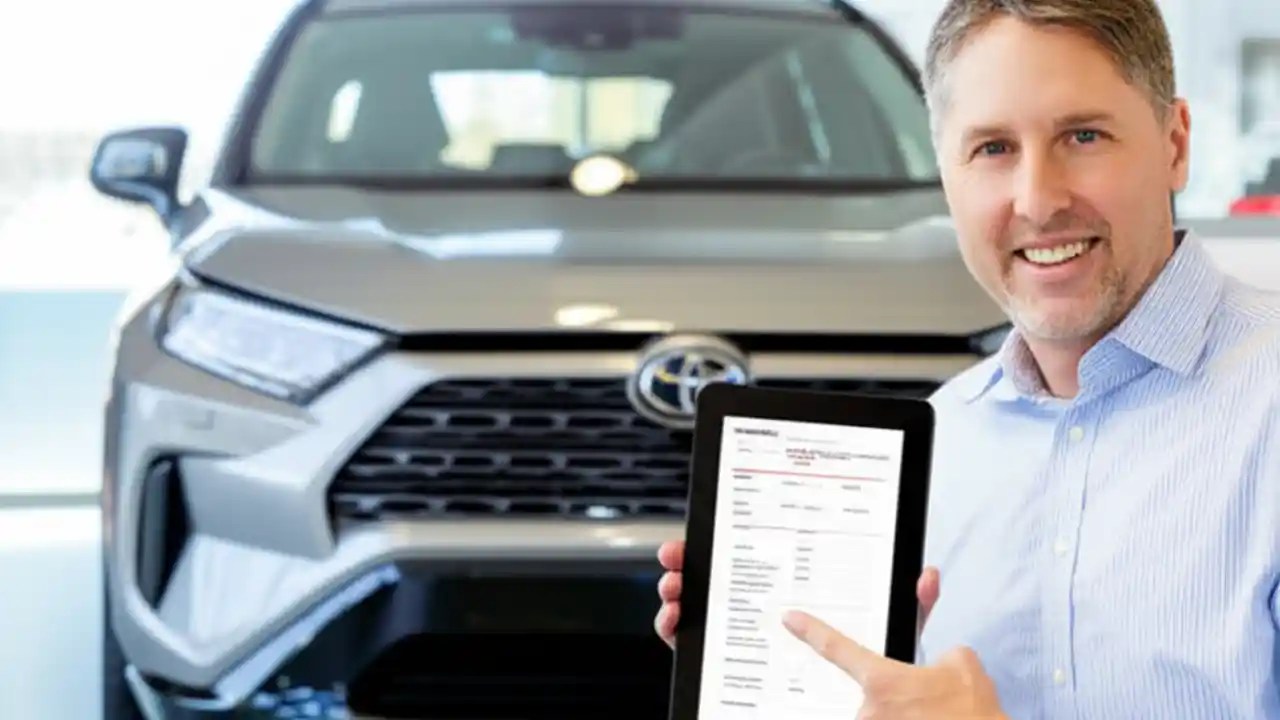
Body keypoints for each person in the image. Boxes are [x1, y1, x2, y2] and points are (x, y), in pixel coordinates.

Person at [654, 0, 1280, 717]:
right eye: (992, 148)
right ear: (946, 171)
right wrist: (789, 686)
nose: (1038, 202)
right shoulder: (940, 439)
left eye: (1083, 135)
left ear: (1175, 143)